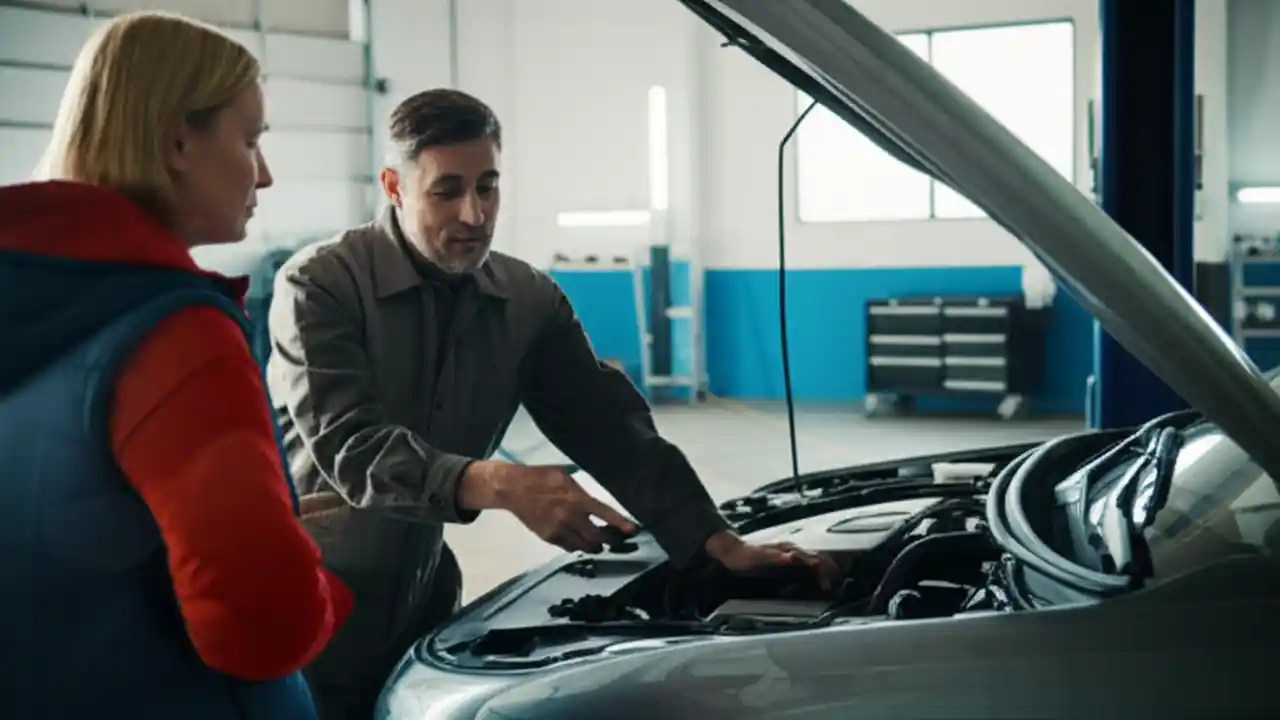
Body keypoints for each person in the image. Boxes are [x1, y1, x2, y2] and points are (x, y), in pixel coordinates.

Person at [266, 88, 841, 717]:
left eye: (488, 186)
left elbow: (609, 428)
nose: (474, 214)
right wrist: (500, 483)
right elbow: (353, 449)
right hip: (306, 607)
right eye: (447, 189)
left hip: (424, 606)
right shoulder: (318, 285)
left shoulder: (527, 298)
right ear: (394, 186)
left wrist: (713, 539)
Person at [0, 12, 352, 718]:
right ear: (176, 141)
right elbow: (261, 627)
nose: (267, 173)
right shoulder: (176, 335)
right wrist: (311, 577)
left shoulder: (33, 297)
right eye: (250, 140)